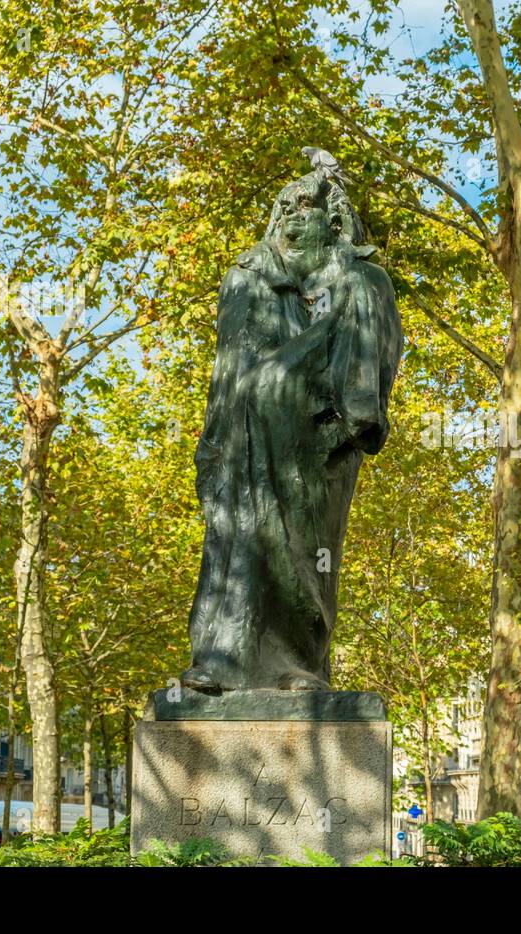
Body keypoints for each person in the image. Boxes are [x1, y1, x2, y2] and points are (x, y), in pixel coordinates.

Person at [181, 167, 402, 692]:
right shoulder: (248, 278)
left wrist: (346, 418)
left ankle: (297, 663)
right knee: (237, 536)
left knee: (309, 548)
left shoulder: (363, 282)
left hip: (321, 442)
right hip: (245, 444)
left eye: (303, 209)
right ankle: (223, 658)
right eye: (283, 210)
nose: (289, 220)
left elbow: (372, 372)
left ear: (335, 222)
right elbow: (229, 371)